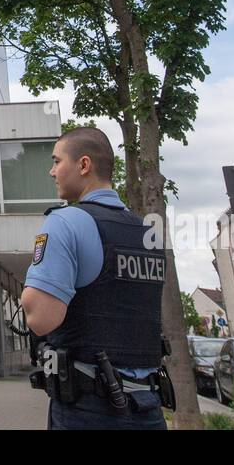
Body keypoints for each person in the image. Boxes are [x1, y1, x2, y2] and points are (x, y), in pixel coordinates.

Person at [21, 127, 169, 430]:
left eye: (57, 161)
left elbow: (40, 317)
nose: (52, 172)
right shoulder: (149, 233)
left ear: (83, 165)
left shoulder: (66, 221)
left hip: (90, 408)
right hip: (149, 408)